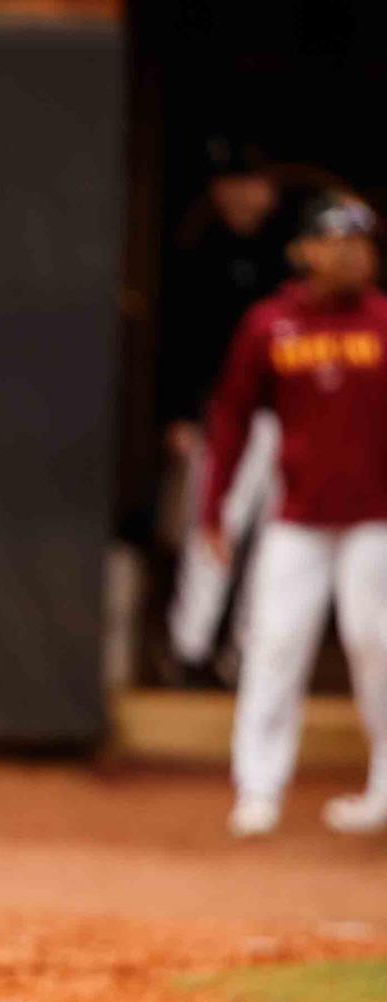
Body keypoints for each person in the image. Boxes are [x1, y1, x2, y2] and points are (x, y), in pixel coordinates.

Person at [203, 192, 387, 837]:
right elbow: (231, 416)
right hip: (298, 515)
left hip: (376, 516)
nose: (350, 255)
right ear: (305, 250)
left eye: (361, 243)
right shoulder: (270, 324)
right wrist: (214, 506)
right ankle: (258, 788)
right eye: (336, 241)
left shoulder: (384, 321)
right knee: (274, 644)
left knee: (377, 644)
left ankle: (384, 787)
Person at [159, 135, 292, 682]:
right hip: (224, 414)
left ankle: (248, 651)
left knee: (279, 538)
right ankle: (190, 648)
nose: (241, 196)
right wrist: (179, 415)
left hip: (290, 415)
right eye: (229, 186)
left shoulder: (291, 254)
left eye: (250, 185)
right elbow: (177, 342)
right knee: (214, 527)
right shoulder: (198, 252)